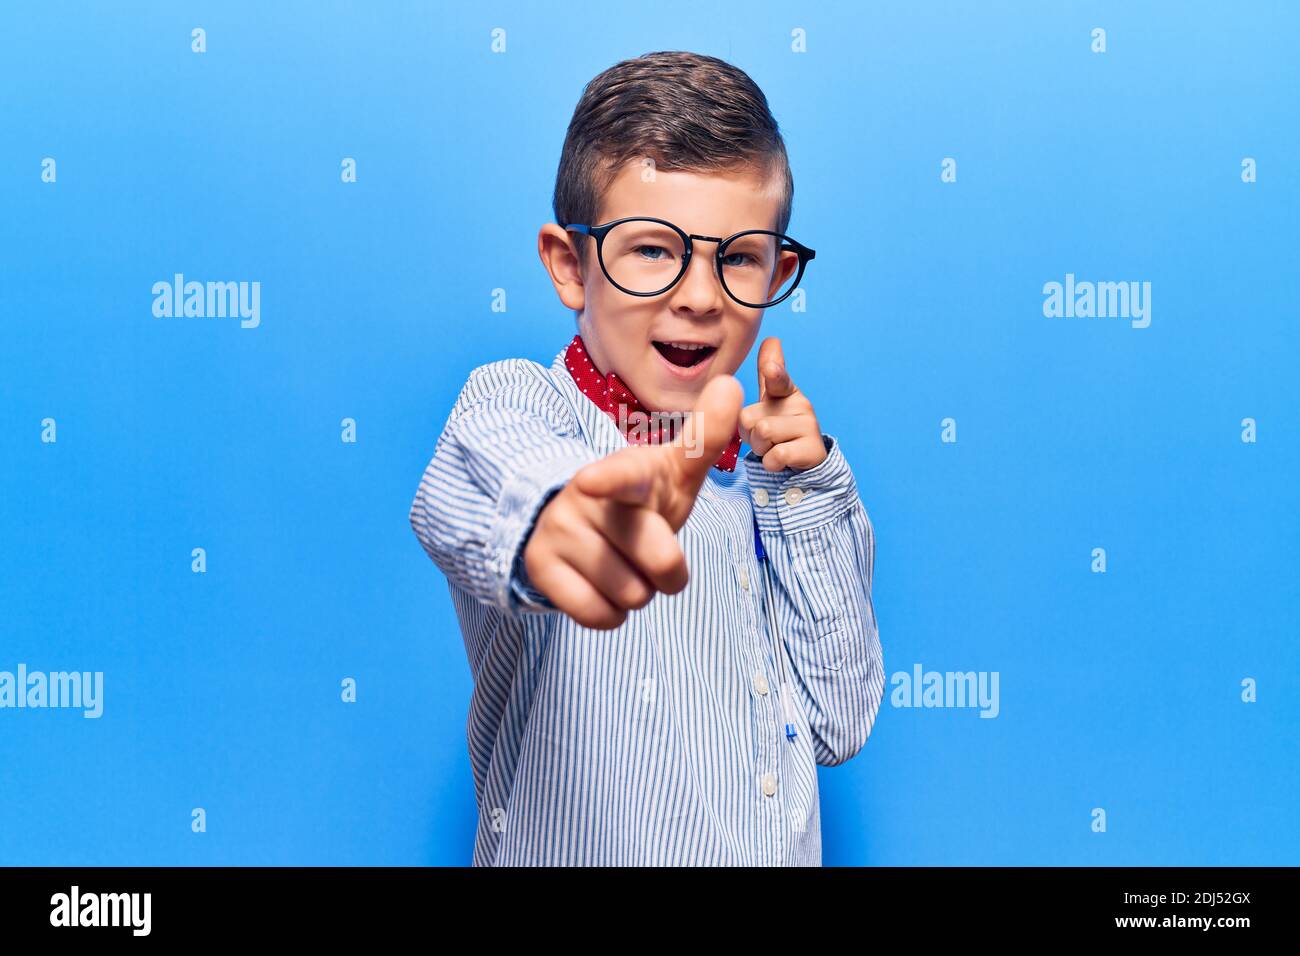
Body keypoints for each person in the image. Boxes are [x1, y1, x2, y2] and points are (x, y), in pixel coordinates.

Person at [409, 50, 884, 865]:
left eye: (739, 257)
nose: (700, 296)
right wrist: (568, 515)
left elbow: (840, 721)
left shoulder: (764, 486)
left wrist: (801, 492)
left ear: (779, 267)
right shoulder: (522, 407)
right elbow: (493, 477)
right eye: (654, 250)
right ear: (570, 266)